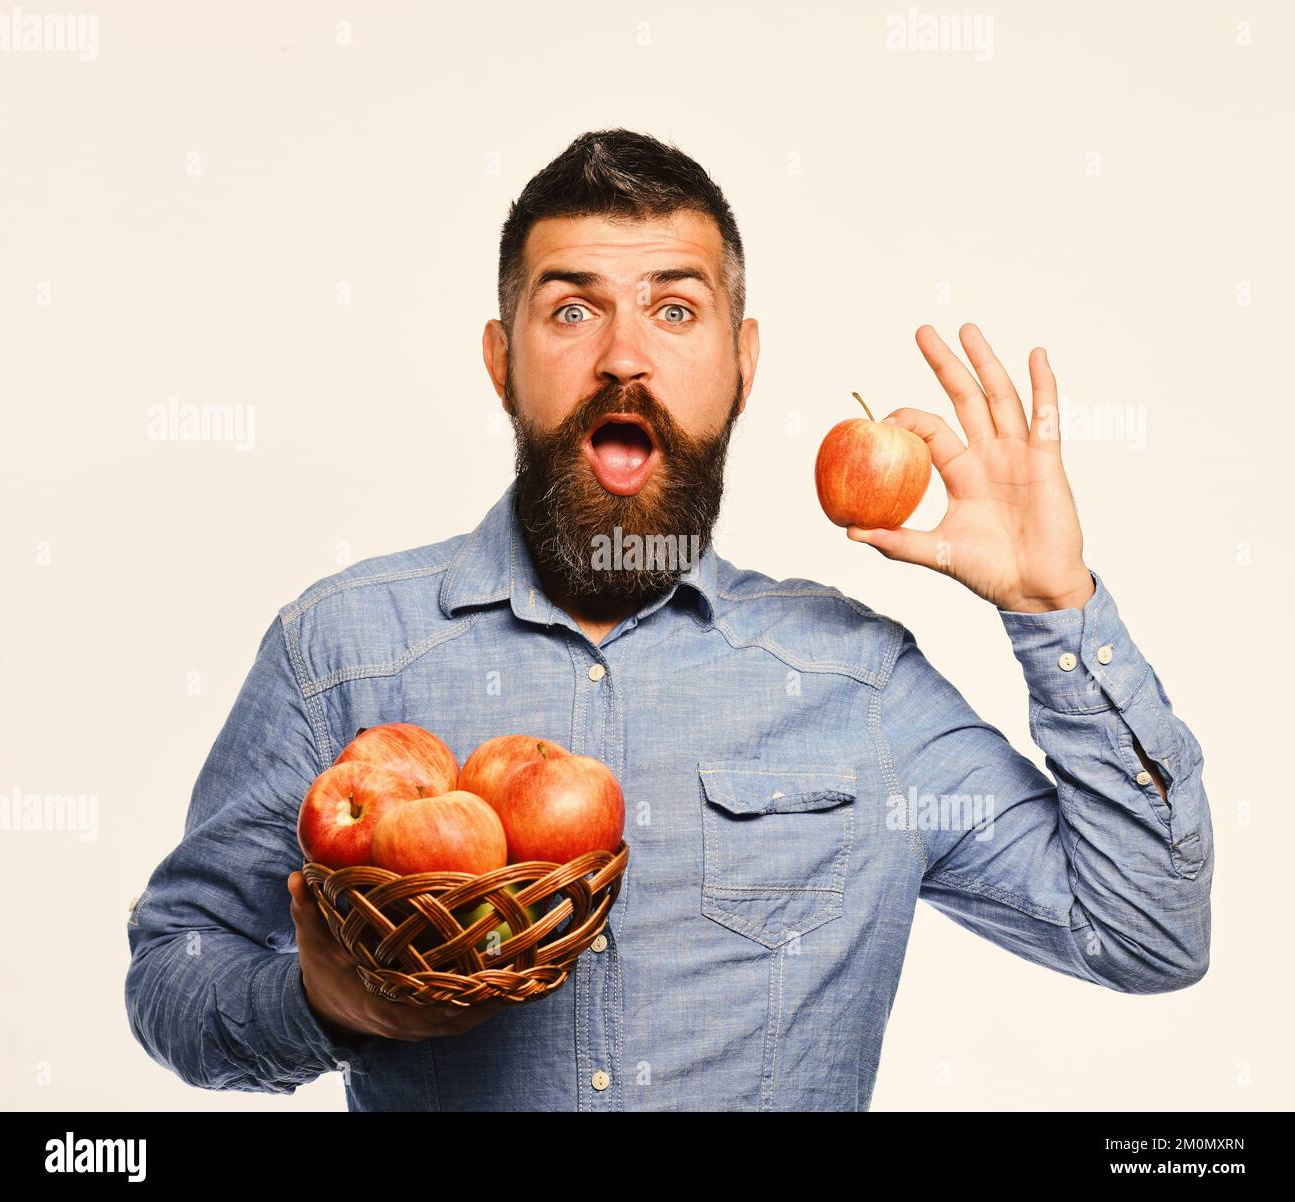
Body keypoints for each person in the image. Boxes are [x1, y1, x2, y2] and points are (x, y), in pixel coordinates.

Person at [124, 128, 1212, 1112]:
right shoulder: (341, 651)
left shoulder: (858, 684)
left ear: (742, 364)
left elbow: (1143, 932)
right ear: (502, 360)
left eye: (675, 307)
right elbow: (175, 967)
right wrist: (326, 1000)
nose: (624, 356)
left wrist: (1054, 611)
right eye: (572, 307)